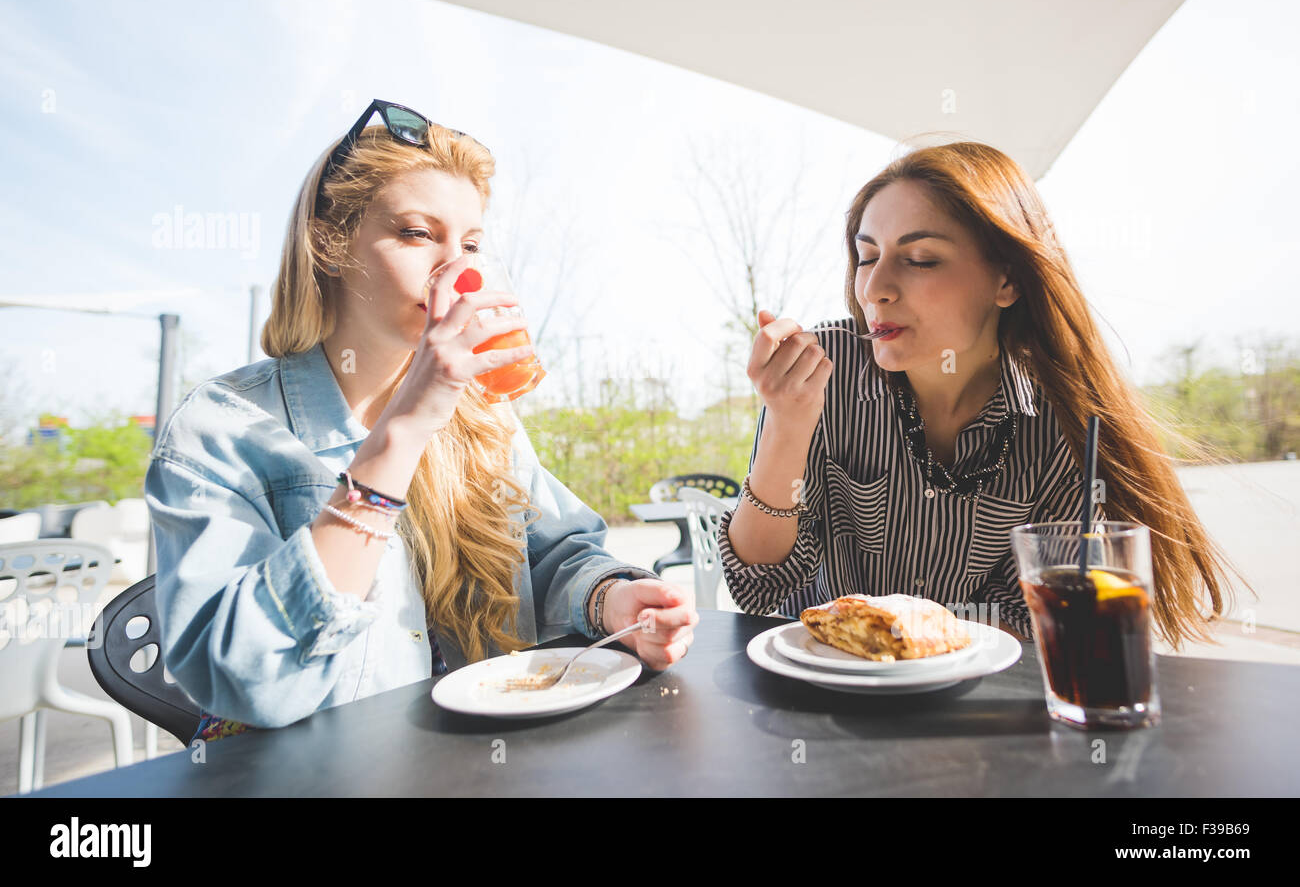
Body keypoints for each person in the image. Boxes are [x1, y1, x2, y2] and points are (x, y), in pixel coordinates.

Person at [145, 100, 697, 742]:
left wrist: (612, 600)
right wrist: (402, 433)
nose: (457, 271)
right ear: (327, 242)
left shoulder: (482, 412)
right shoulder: (221, 429)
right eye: (415, 234)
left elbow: (550, 552)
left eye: (469, 245)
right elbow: (242, 676)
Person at [719, 139, 1249, 648]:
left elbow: (1037, 616)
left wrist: (919, 657)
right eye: (866, 256)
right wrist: (787, 424)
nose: (875, 287)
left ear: (1007, 282)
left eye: (921, 258)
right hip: (822, 687)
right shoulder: (822, 372)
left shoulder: (1060, 420)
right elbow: (760, 588)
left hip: (973, 705)